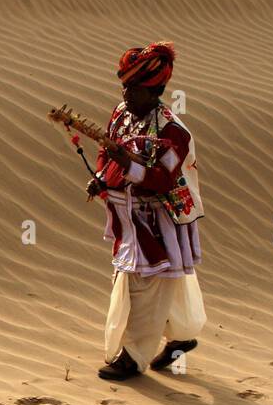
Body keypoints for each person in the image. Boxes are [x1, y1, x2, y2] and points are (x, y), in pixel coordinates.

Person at [86, 42, 207, 381]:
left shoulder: (173, 133)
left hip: (159, 223)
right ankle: (181, 337)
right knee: (159, 285)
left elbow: (161, 180)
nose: (126, 93)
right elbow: (105, 152)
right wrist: (101, 178)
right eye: (124, 84)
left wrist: (128, 165)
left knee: (144, 286)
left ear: (155, 91)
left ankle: (133, 358)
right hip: (129, 220)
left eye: (134, 87)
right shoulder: (120, 113)